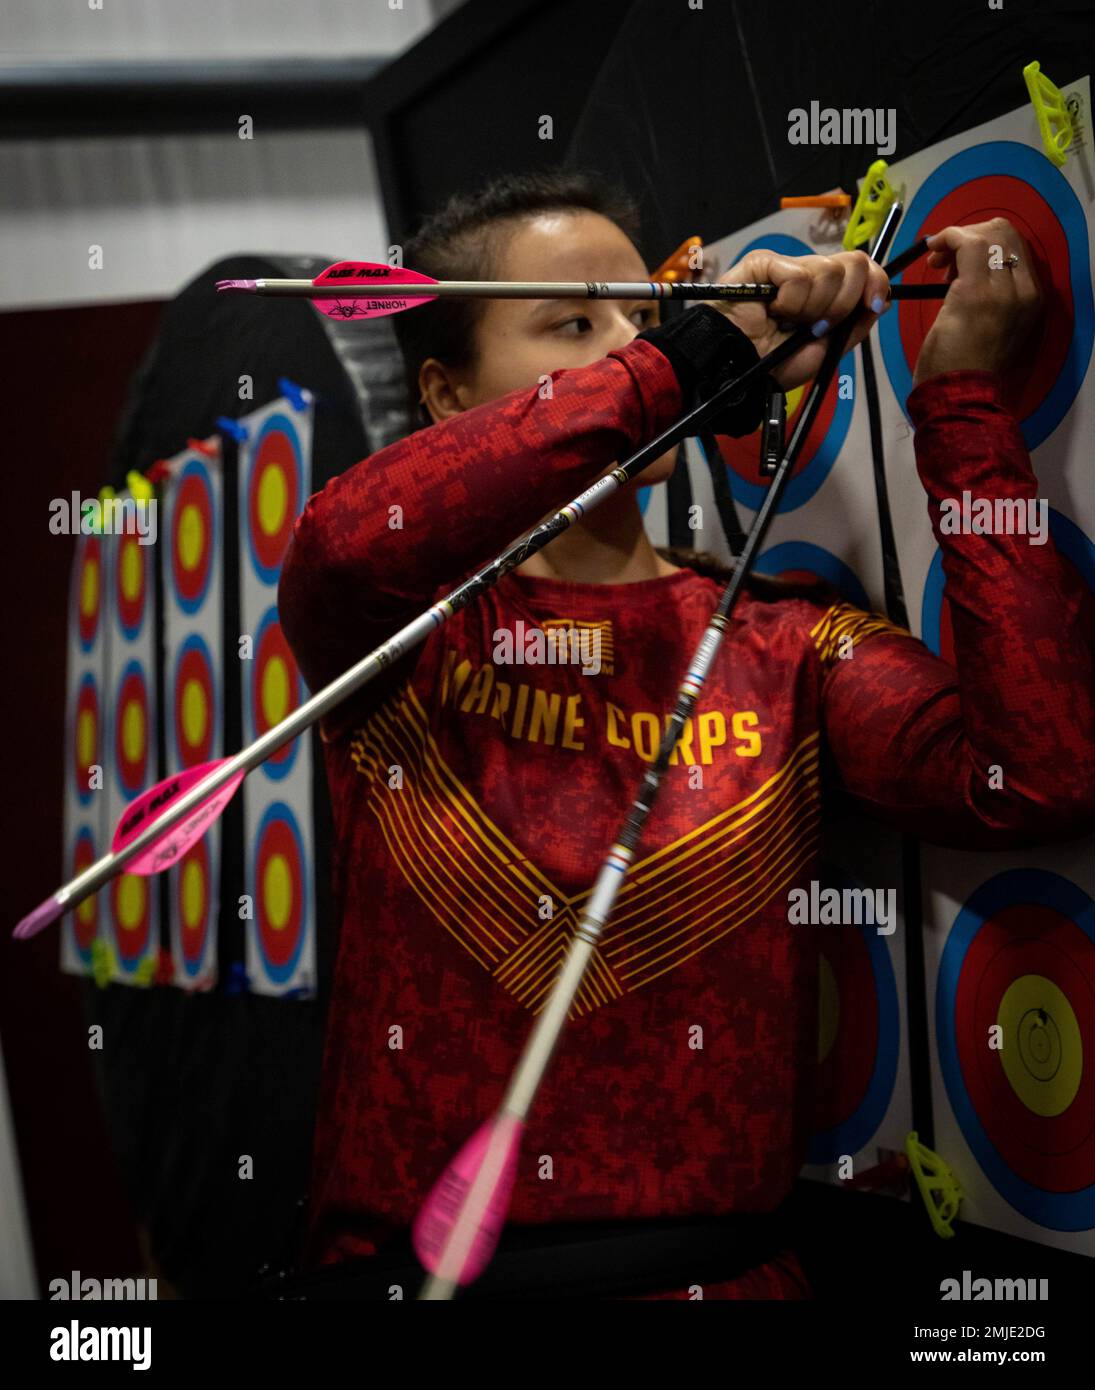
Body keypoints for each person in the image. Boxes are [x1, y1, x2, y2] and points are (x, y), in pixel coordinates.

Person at [277, 170, 1095, 1300]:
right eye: (576, 322)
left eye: (639, 318)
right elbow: (341, 542)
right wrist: (693, 357)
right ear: (445, 393)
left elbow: (1036, 773)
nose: (627, 343)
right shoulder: (401, 635)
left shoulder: (782, 644)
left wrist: (960, 405)